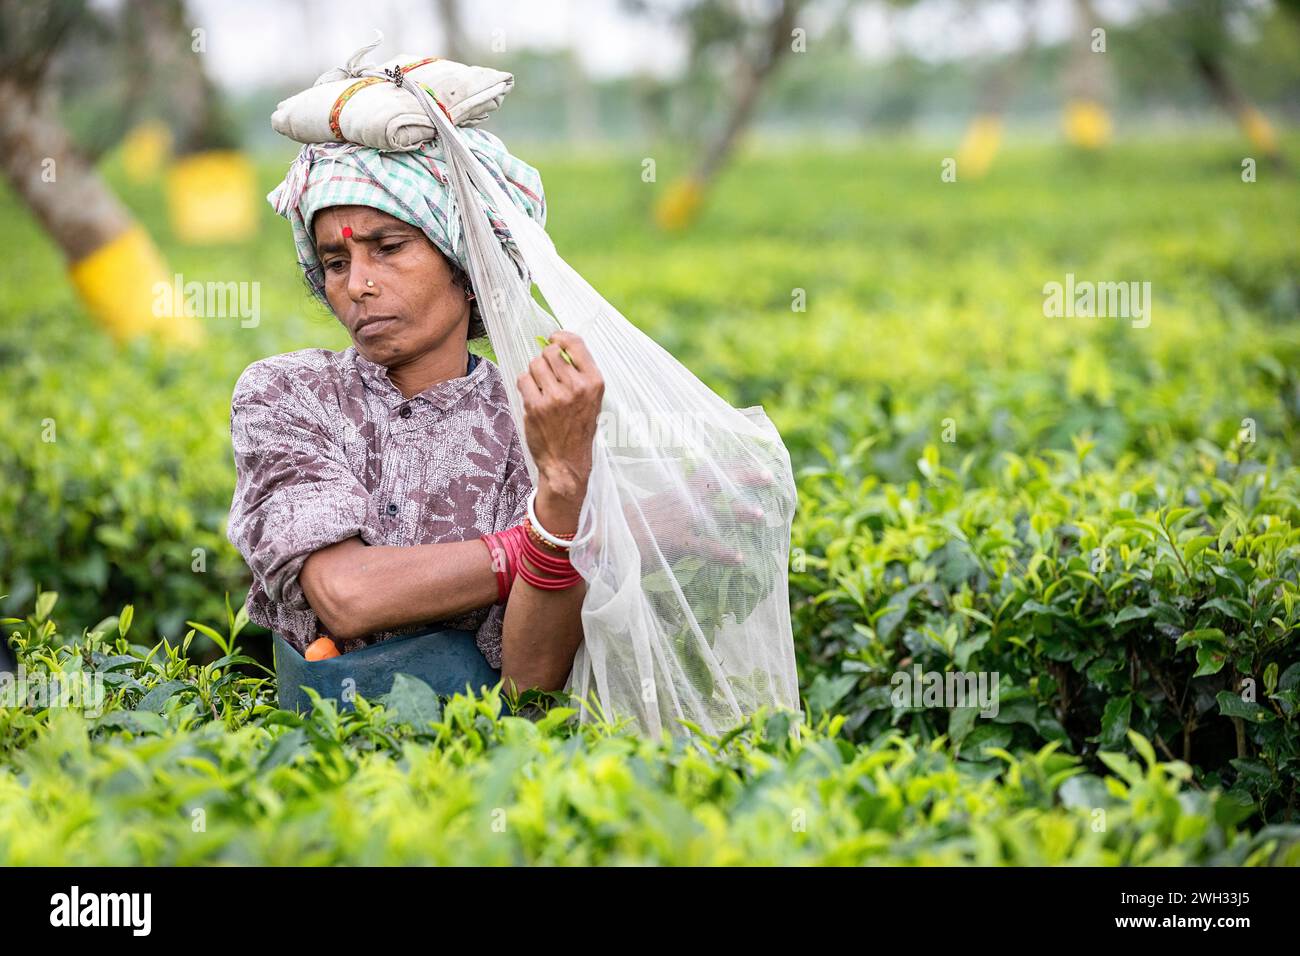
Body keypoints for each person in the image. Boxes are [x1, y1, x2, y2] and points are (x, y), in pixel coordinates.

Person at [226, 131, 603, 695]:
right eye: (335, 261)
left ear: (467, 266)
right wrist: (550, 540)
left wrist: (566, 481)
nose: (357, 285)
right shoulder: (289, 393)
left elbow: (531, 681)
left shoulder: (533, 421)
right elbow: (347, 596)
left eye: (389, 248)